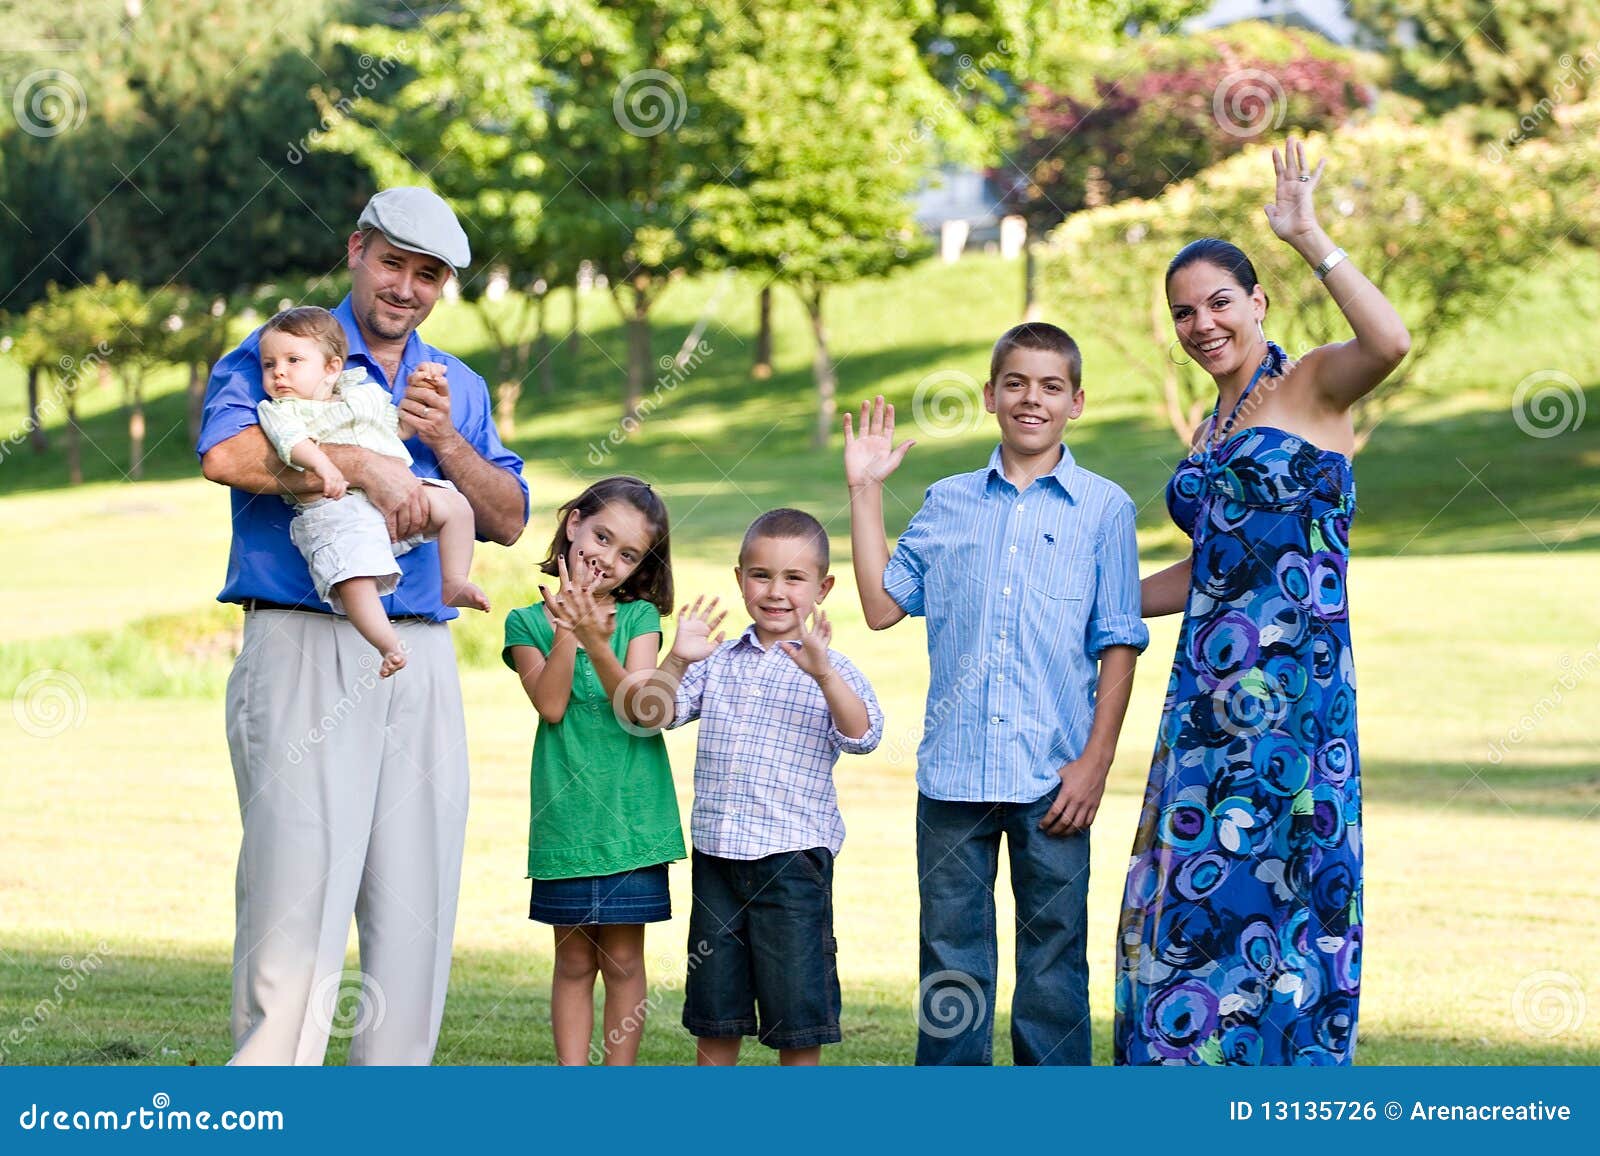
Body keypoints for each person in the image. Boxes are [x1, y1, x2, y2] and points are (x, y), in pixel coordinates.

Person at [197, 186, 529, 1065]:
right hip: (304, 637)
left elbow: (508, 516)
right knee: (294, 890)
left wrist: (447, 445)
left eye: (429, 275)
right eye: (393, 263)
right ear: (356, 250)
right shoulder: (284, 349)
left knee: (417, 895)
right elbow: (226, 455)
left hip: (420, 647)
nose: (407, 287)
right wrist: (364, 467)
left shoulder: (457, 382)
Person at [1113, 138, 1410, 1066]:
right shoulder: (1211, 427)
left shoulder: (1311, 385)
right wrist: (1086, 604)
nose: (1201, 324)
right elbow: (1206, 577)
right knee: (1190, 901)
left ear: (1258, 302)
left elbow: (1390, 342)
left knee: (1281, 900)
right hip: (1206, 705)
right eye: (1184, 313)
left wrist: (1309, 235)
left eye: (1219, 303)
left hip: (1293, 706)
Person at [846, 322, 1149, 1065]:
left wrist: (1096, 762)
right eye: (1015, 383)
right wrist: (864, 491)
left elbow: (1119, 639)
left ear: (1076, 402)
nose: (1031, 399)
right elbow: (883, 606)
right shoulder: (947, 502)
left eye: (1050, 386)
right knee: (952, 961)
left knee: (1054, 963)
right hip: (954, 774)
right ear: (989, 396)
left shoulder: (1105, 510)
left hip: (1056, 779)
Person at [649, 508, 883, 1066]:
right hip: (718, 859)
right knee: (717, 1006)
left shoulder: (834, 668)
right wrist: (678, 657)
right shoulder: (716, 660)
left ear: (822, 588)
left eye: (794, 578)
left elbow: (864, 736)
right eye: (760, 575)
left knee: (796, 1014)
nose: (776, 591)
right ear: (739, 580)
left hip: (792, 863)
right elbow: (652, 714)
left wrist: (823, 674)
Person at [501, 476, 685, 1066]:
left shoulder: (639, 621)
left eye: (627, 554)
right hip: (567, 820)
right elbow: (551, 704)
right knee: (575, 960)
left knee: (624, 961)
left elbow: (636, 709)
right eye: (601, 536)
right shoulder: (524, 624)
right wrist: (567, 632)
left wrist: (597, 643)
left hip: (632, 821)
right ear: (573, 522)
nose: (606, 558)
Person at [256, 305, 489, 677]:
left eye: (293, 360)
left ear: (332, 367)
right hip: (337, 509)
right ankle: (387, 645)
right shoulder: (283, 410)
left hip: (396, 502)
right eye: (269, 365)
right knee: (354, 576)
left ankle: (454, 581)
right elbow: (292, 444)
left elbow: (394, 431)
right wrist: (324, 466)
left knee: (455, 505)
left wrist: (420, 395)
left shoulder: (361, 394)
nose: (279, 372)